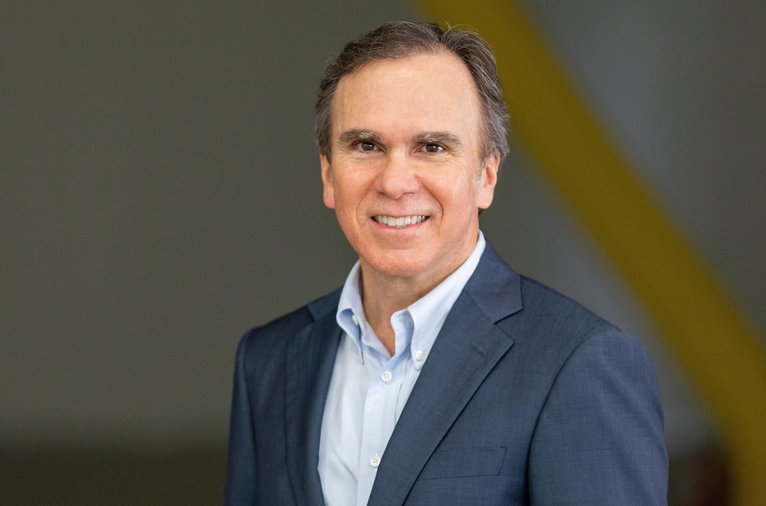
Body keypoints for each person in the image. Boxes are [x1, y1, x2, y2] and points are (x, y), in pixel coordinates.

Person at [225, 21, 668, 505]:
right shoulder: (269, 360)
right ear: (329, 174)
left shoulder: (579, 362)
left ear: (486, 175)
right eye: (366, 145)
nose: (395, 183)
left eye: (432, 147)